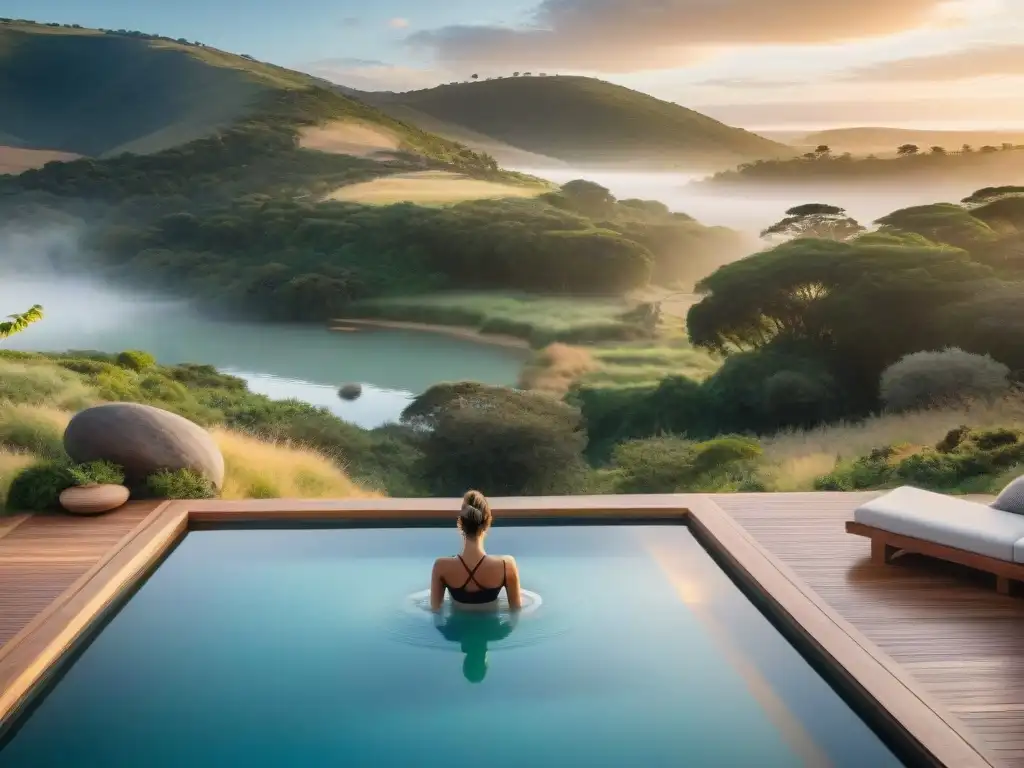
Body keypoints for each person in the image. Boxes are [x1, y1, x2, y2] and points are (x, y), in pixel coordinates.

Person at [430, 490, 522, 612]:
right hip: (491, 630)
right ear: (487, 522)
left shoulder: (441, 567)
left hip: (456, 630)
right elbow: (516, 612)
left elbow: (435, 611)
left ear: (460, 523)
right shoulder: (506, 566)